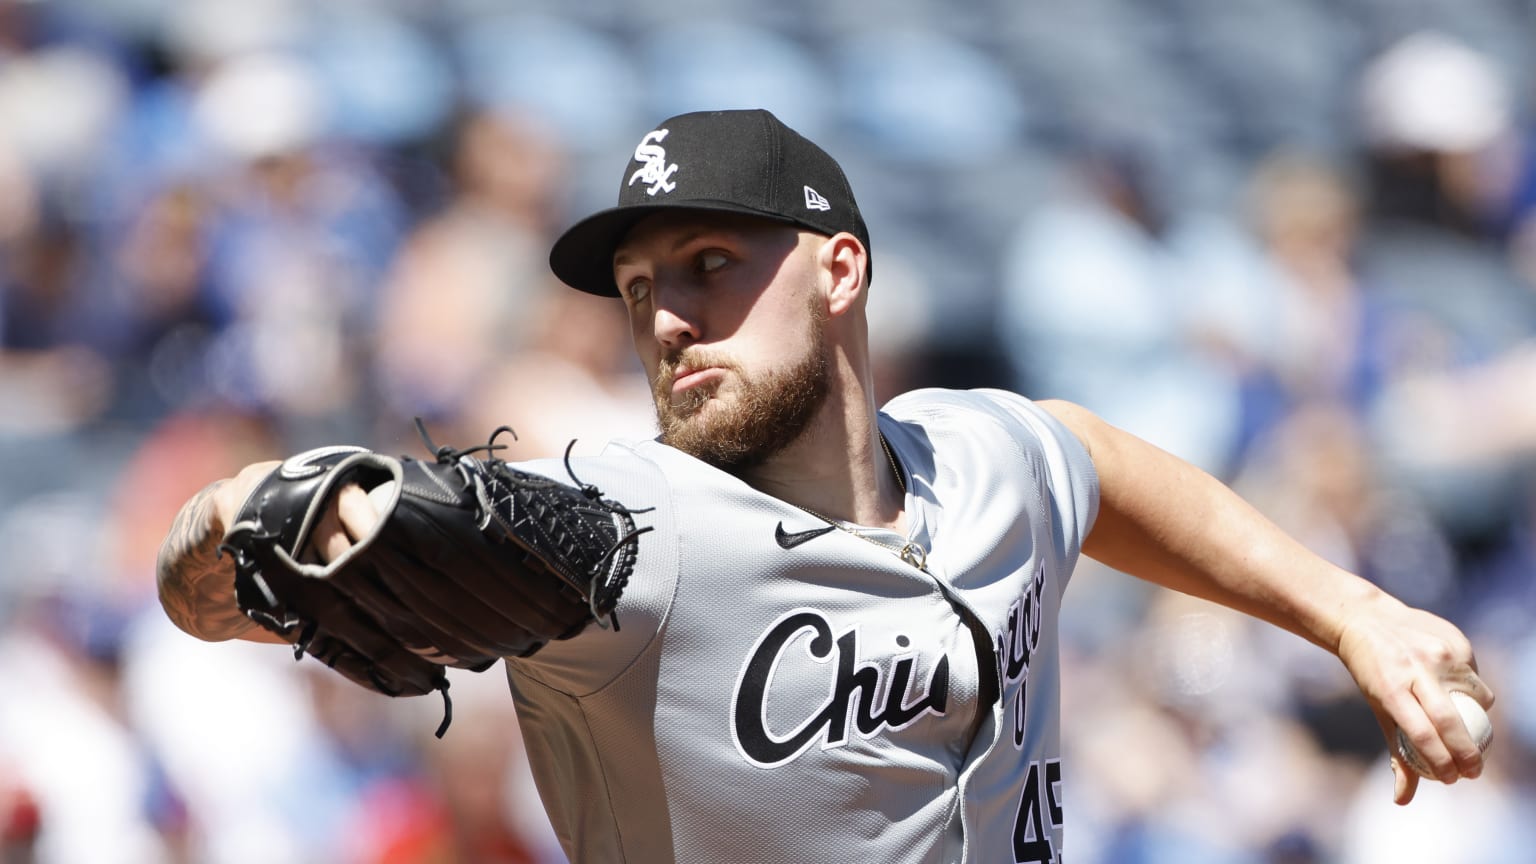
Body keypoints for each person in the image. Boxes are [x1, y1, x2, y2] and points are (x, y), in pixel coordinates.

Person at [156, 109, 1493, 863]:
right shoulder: (623, 532)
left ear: (839, 270)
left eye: (706, 264)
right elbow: (218, 574)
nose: (668, 316)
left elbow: (1096, 462)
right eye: (638, 291)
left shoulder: (982, 455)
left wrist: (1351, 616)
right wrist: (232, 538)